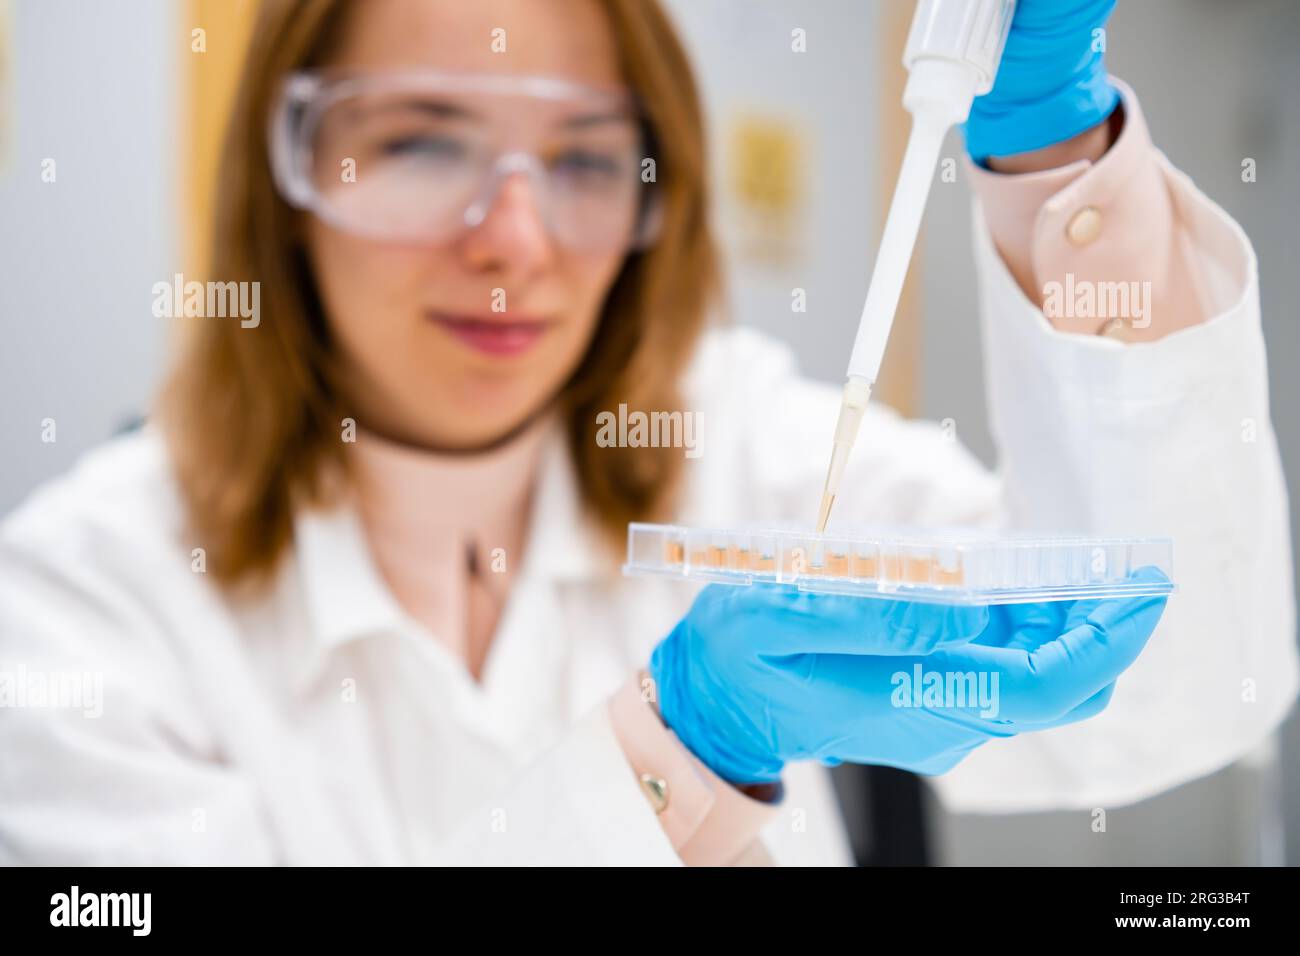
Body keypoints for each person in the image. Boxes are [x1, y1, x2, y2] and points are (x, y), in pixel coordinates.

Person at [0, 0, 1293, 866]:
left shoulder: (738, 442)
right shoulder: (82, 602)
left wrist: (1060, 162)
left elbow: (1187, 693)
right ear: (284, 194)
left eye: (580, 159)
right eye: (418, 143)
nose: (513, 238)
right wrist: (672, 765)